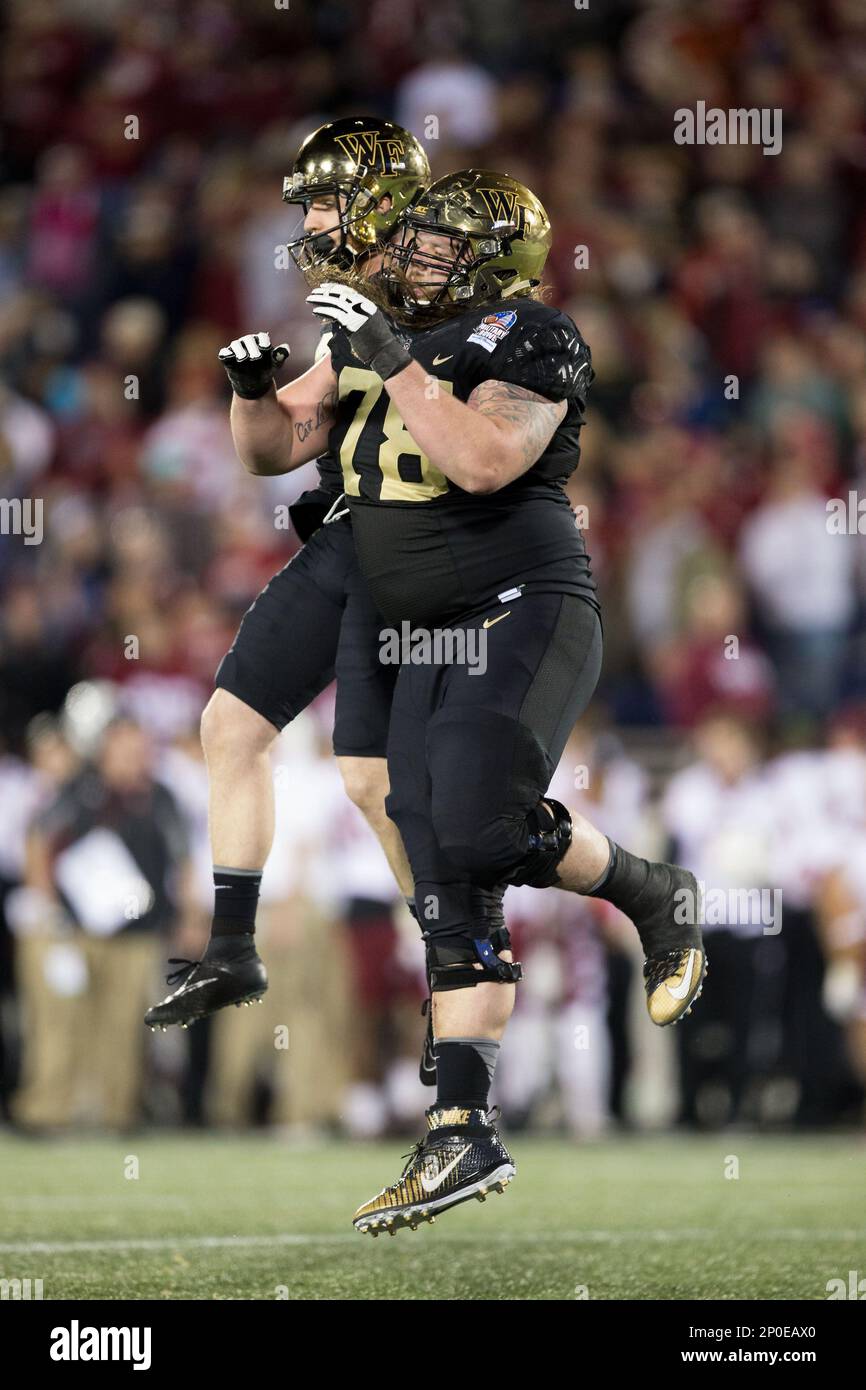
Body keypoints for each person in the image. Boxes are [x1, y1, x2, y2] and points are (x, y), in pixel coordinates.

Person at [299, 169, 707, 1233]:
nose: (419, 253)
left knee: (474, 819)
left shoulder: (531, 332)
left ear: (497, 256)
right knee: (439, 842)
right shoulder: (398, 343)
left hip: (522, 600)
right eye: (418, 237)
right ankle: (461, 1124)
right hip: (420, 619)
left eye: (443, 241)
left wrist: (390, 358)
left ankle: (648, 890)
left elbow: (482, 461)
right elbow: (317, 460)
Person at [144, 118, 429, 1031]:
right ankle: (232, 945)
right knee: (228, 729)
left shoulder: (448, 303)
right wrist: (252, 395)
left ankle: (453, 962)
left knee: (370, 779)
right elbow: (272, 452)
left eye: (323, 201)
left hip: (419, 548)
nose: (308, 222)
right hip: (348, 536)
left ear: (378, 203)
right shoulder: (348, 313)